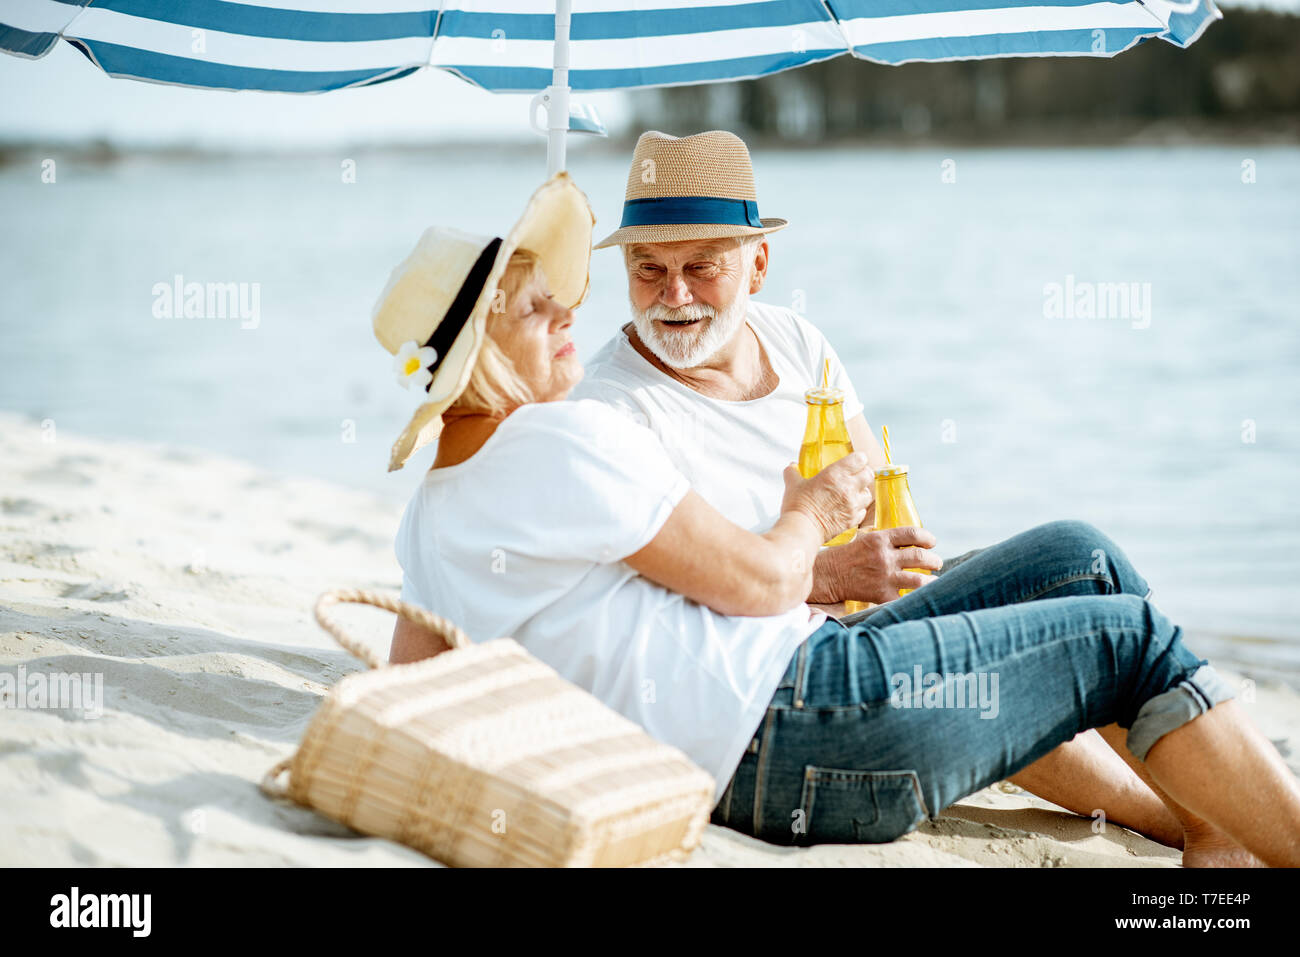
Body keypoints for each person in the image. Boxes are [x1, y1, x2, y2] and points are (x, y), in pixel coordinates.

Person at [372, 173, 1300, 866]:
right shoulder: (564, 439)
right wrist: (809, 513)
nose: (567, 312)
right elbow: (763, 582)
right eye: (534, 311)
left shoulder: (434, 506)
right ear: (478, 359)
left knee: (1075, 556)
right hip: (798, 727)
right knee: (1126, 639)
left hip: (778, 710)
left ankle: (1215, 835)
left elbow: (406, 690)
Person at [568, 130, 1222, 854]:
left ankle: (1203, 794)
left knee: (1082, 558)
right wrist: (827, 569)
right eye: (649, 268)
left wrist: (872, 555)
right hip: (782, 670)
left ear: (757, 265)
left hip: (849, 615)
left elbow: (868, 489)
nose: (675, 294)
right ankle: (1181, 818)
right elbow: (654, 602)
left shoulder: (794, 342)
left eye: (701, 266)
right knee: (987, 658)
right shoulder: (612, 411)